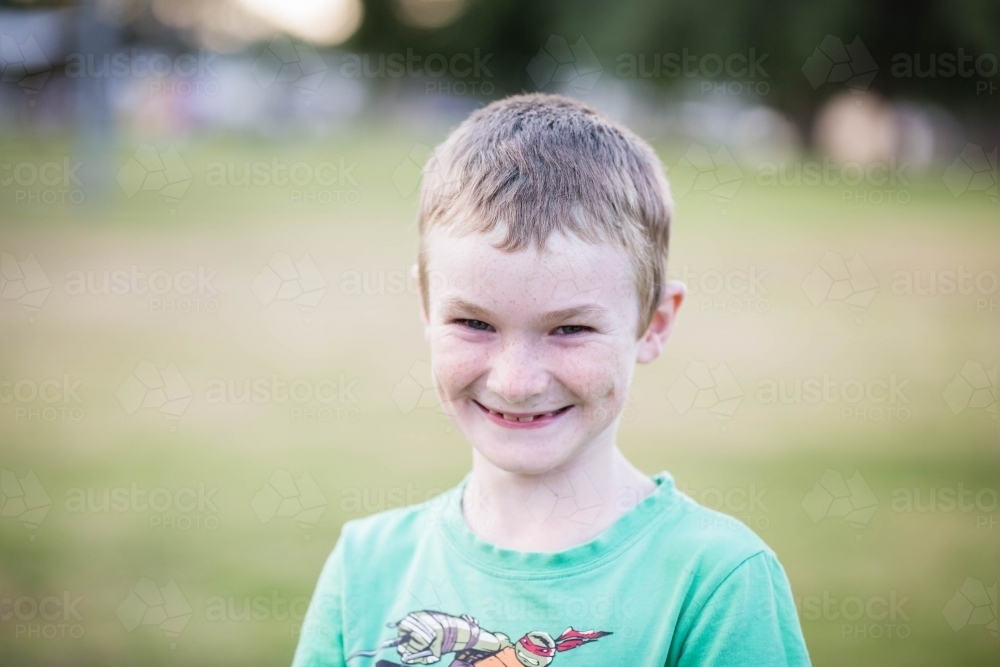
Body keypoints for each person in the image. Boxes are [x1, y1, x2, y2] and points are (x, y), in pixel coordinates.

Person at [292, 93, 811, 666]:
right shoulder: (365, 569)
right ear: (424, 306)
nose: (516, 382)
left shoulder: (716, 585)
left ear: (655, 323)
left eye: (569, 329)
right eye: (473, 323)